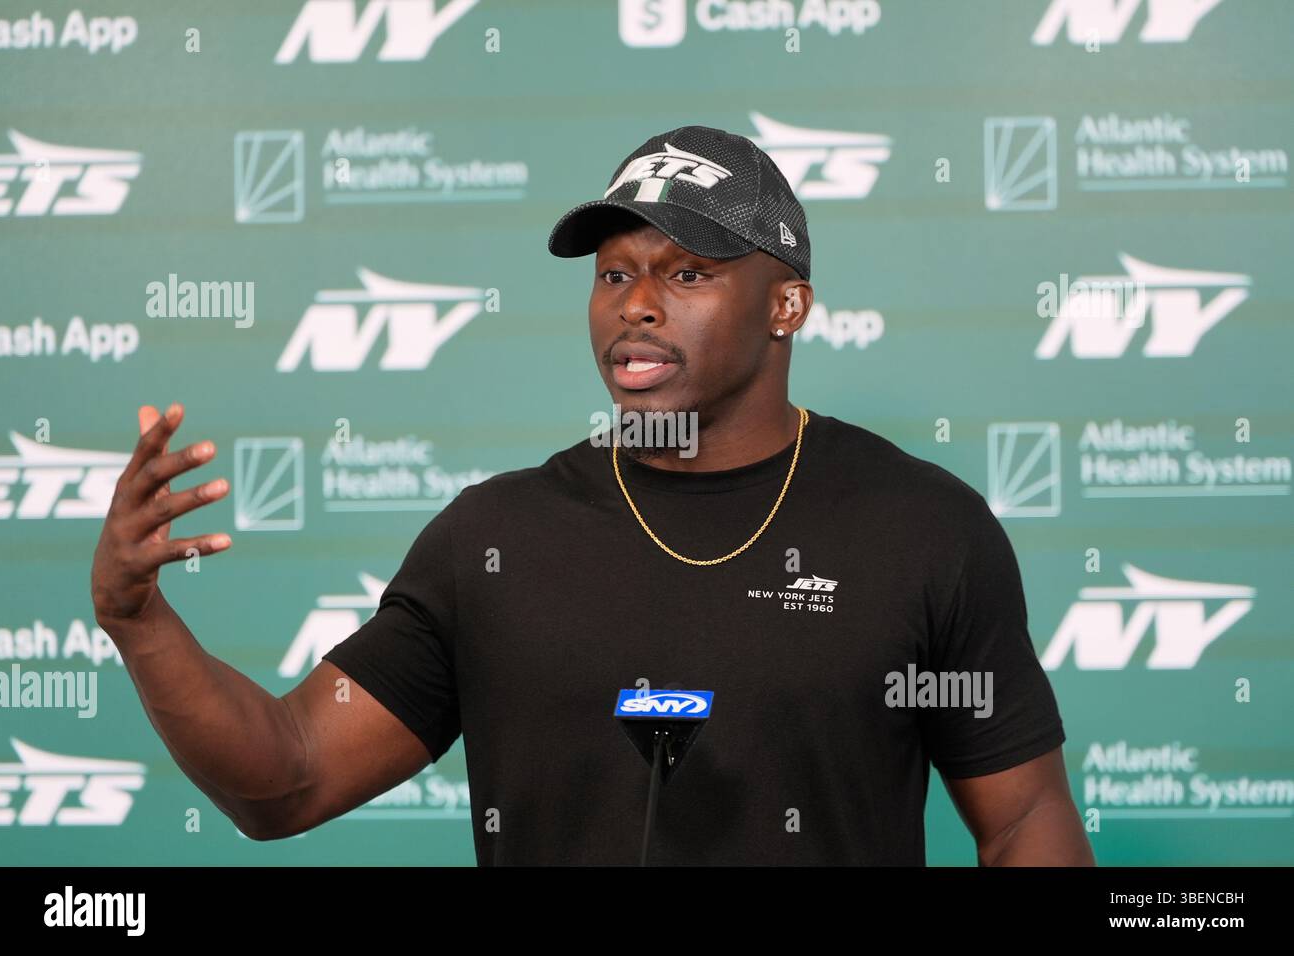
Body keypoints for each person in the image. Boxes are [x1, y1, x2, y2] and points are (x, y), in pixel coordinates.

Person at [91, 125, 1093, 866]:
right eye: (615, 275)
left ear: (787, 303)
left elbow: (1021, 820)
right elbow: (290, 775)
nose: (638, 304)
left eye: (687, 271)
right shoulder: (494, 541)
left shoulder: (921, 527)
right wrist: (140, 621)